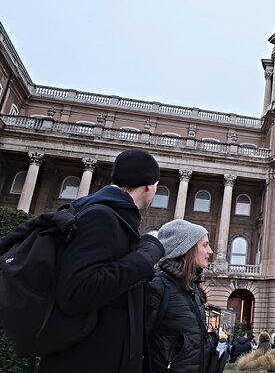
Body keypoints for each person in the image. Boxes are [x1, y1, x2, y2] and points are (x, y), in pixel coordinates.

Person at [37, 148, 165, 373]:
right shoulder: (101, 216)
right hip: (85, 361)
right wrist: (145, 257)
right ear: (149, 185)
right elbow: (77, 291)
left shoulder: (112, 216)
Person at [145, 219, 217, 372]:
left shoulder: (194, 289)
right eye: (204, 245)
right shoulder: (158, 286)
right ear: (186, 248)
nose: (210, 251)